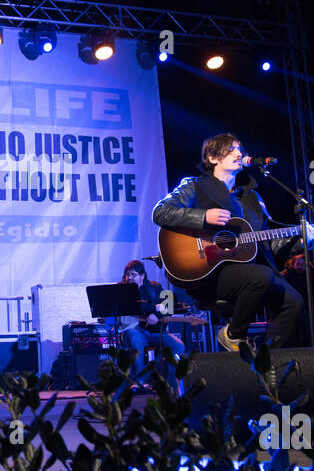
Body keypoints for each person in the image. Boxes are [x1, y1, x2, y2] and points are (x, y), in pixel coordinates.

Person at [152, 133, 303, 352]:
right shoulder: (194, 186)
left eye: (240, 149)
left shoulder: (252, 199)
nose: (239, 153)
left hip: (249, 272)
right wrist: (202, 217)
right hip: (210, 274)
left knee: (294, 302)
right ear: (213, 158)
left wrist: (301, 242)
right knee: (262, 276)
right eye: (231, 149)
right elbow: (161, 212)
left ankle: (265, 361)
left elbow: (267, 245)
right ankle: (233, 334)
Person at [119, 259, 187, 392]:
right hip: (132, 332)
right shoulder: (121, 289)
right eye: (127, 274)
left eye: (133, 275)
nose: (129, 278)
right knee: (135, 338)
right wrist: (153, 308)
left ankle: (168, 384)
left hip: (154, 333)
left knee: (178, 346)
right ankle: (138, 381)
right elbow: (136, 307)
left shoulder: (155, 287)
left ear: (142, 276)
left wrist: (157, 315)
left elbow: (169, 306)